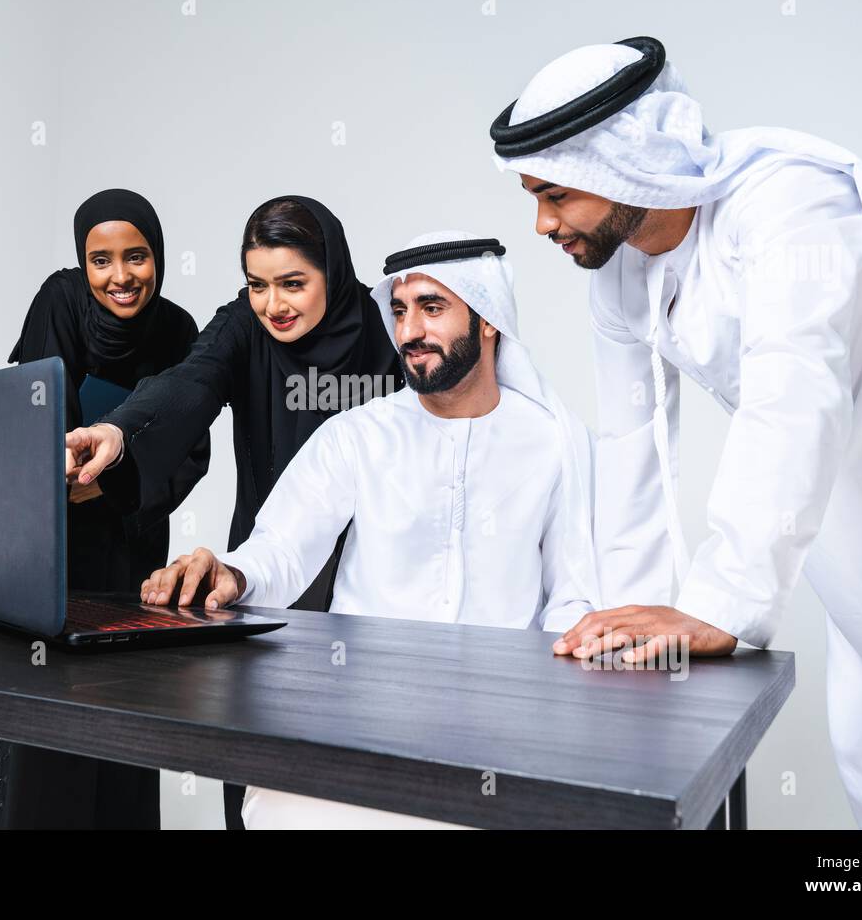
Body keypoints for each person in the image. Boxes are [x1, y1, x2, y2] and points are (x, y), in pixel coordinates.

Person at [490, 36, 862, 828]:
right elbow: (632, 443)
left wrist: (723, 605)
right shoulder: (621, 273)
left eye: (556, 195)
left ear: (621, 165)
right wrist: (634, 618)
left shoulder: (788, 201)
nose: (543, 223)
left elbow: (794, 394)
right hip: (853, 579)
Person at [138, 231, 602, 828]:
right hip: (359, 715)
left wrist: (557, 724)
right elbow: (280, 546)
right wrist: (231, 572)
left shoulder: (555, 443)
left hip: (500, 724)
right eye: (400, 310)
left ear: (488, 320)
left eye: (432, 308)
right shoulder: (356, 435)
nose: (409, 332)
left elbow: (574, 595)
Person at [65, 195, 403, 827]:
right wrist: (119, 432)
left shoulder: (387, 331)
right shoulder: (243, 328)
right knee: (252, 767)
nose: (273, 304)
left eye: (293, 284)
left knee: (360, 782)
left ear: (333, 270)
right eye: (258, 285)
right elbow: (191, 382)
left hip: (370, 586)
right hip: (259, 574)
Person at [0, 188, 211, 830]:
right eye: (102, 259)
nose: (121, 277)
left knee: (126, 707)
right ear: (83, 262)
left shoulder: (177, 330)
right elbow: (28, 397)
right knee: (46, 707)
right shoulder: (59, 301)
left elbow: (190, 449)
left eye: (136, 256)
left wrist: (112, 484)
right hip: (50, 549)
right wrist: (67, 474)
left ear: (158, 256)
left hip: (129, 548)